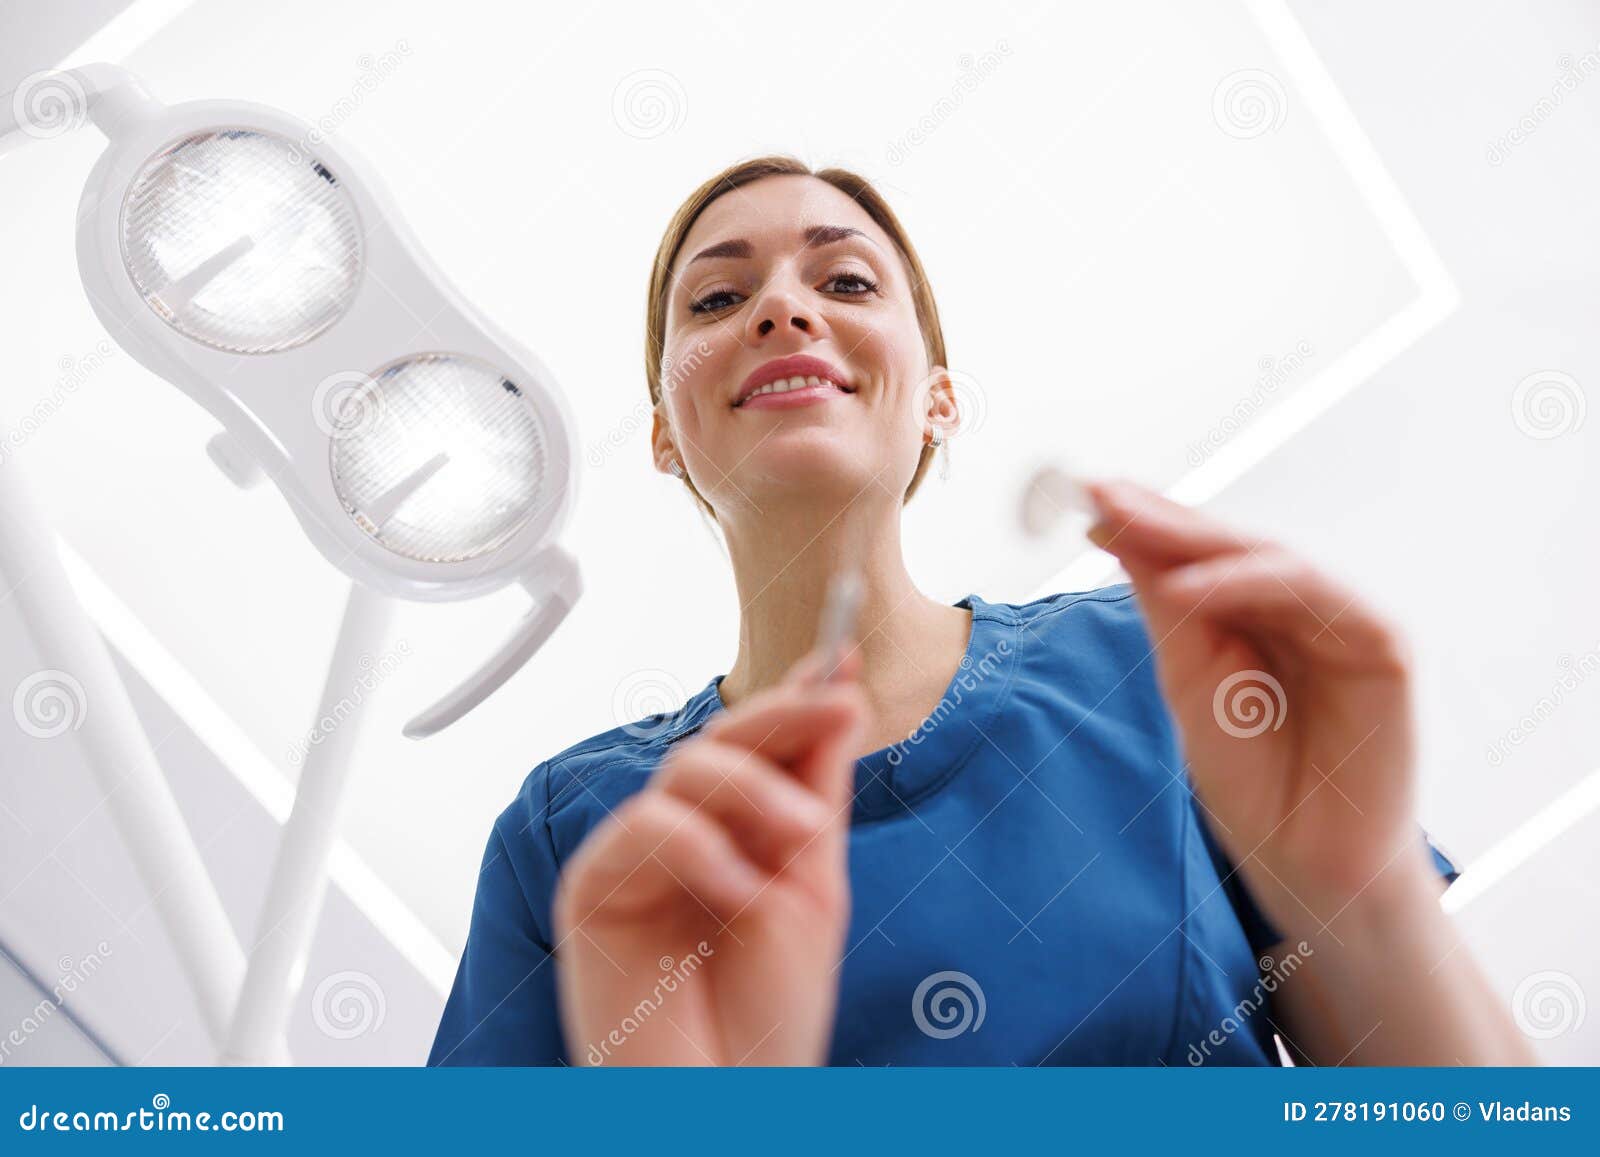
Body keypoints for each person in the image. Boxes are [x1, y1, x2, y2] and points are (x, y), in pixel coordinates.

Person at [427, 156, 1532, 1067]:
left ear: (939, 399)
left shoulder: (1159, 670)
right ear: (665, 434)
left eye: (846, 281)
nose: (782, 309)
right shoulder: (569, 834)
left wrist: (1369, 904)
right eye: (718, 300)